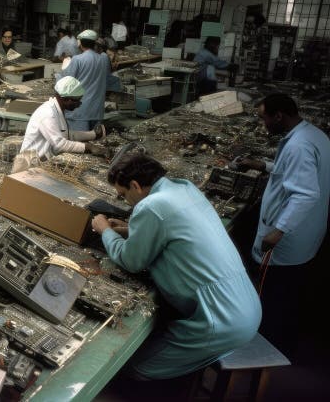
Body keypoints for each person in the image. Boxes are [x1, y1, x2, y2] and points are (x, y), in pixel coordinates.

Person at [92, 153, 261, 380]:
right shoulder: (185, 188)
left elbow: (130, 261)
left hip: (220, 322)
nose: (125, 201)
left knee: (136, 368)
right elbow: (175, 229)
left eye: (123, 195)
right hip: (246, 307)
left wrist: (105, 231)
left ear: (135, 185)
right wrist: (132, 230)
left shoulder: (151, 205)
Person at [233, 93, 330, 357]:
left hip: (287, 239)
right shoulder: (312, 135)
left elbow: (305, 193)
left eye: (264, 118)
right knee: (290, 292)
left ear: (279, 116)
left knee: (273, 296)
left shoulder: (299, 145)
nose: (263, 124)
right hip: (308, 234)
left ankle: (267, 350)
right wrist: (263, 165)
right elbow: (293, 170)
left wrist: (278, 231)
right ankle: (283, 341)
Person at [20, 76, 108, 160]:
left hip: (42, 159)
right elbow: (59, 144)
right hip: (30, 164)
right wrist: (88, 147)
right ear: (66, 99)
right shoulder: (48, 114)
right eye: (77, 101)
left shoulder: (57, 109)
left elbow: (65, 135)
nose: (79, 105)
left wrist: (93, 134)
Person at [60, 29, 114, 131]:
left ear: (79, 42)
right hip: (97, 110)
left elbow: (67, 83)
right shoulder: (104, 58)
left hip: (80, 111)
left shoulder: (77, 59)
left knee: (81, 143)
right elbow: (108, 79)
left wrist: (62, 71)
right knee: (95, 141)